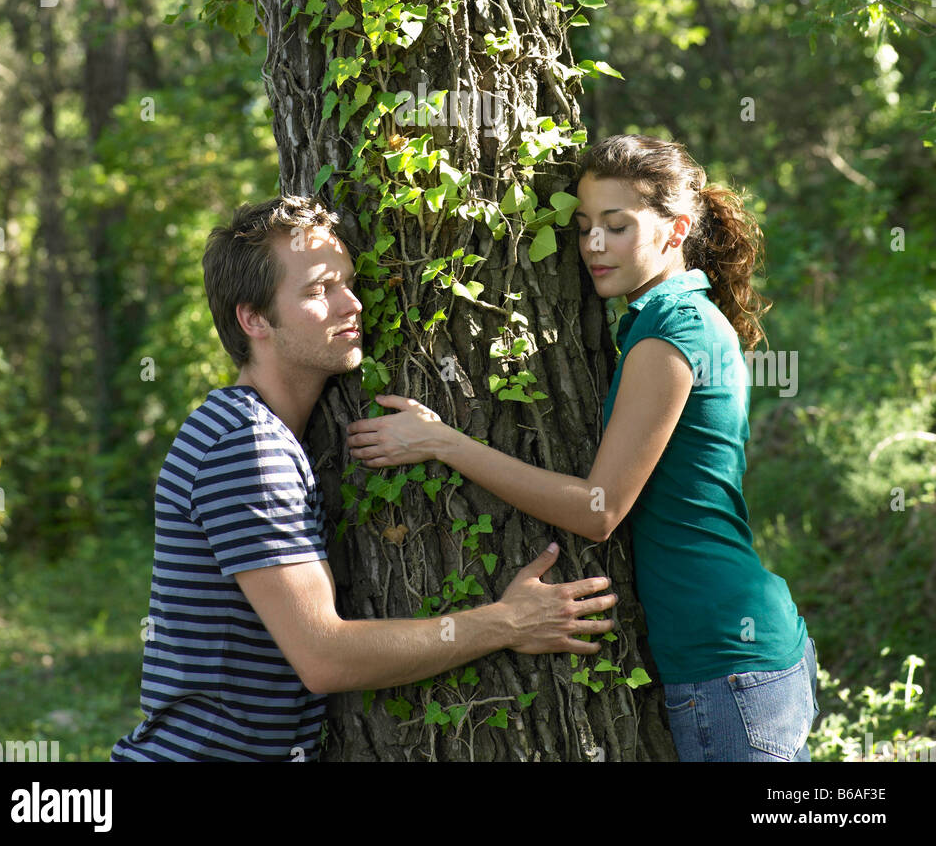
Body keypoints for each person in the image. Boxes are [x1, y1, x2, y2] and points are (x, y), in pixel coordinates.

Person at [348, 134, 821, 763]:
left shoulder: (672, 333)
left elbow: (599, 510)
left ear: (675, 229)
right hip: (736, 654)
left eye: (617, 226)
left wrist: (441, 441)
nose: (594, 245)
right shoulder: (665, 317)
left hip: (725, 662)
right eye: (583, 226)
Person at [111, 195, 617, 762]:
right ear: (253, 319)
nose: (350, 304)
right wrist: (506, 622)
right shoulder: (245, 445)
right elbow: (324, 657)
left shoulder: (263, 433)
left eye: (347, 283)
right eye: (317, 291)